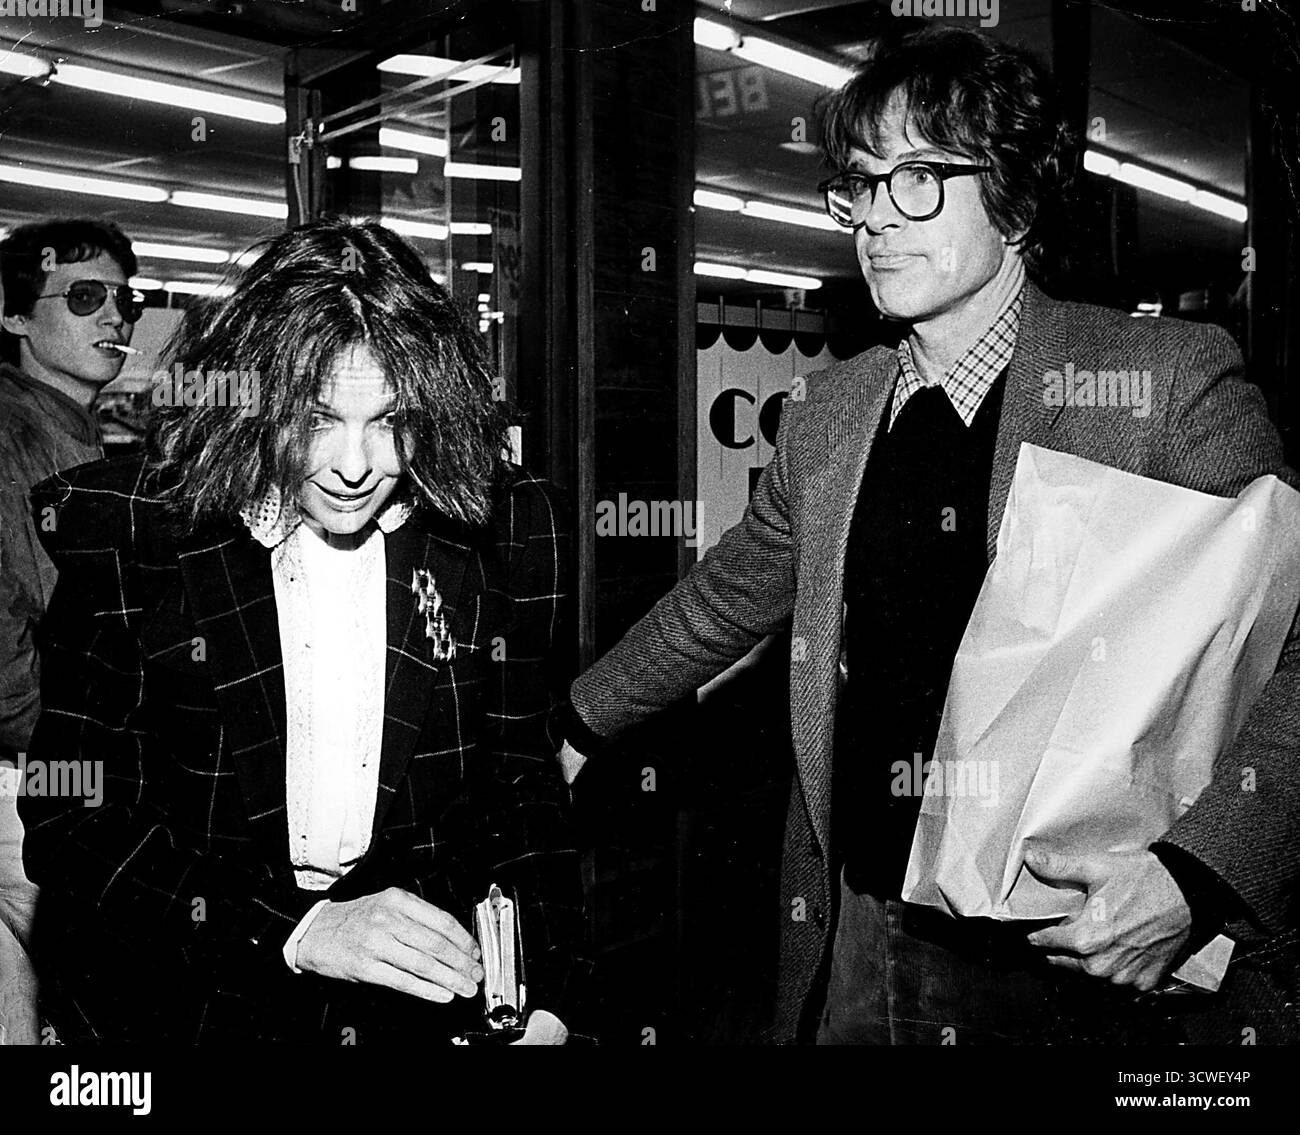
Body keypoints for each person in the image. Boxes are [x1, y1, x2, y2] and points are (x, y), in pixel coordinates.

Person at [553, 26, 1300, 1044]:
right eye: (860, 184)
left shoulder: (1153, 384)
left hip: (1077, 945)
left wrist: (1198, 876)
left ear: (1013, 196)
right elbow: (724, 596)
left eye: (918, 179)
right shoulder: (831, 415)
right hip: (863, 926)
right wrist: (575, 725)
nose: (874, 219)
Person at [20, 217, 582, 1044]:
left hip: (421, 1000)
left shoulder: (507, 529)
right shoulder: (133, 535)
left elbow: (521, 791)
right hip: (201, 991)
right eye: (318, 418)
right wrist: (299, 928)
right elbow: (71, 820)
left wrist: (543, 995)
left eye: (390, 420)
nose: (355, 464)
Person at [0, 218, 139, 1044]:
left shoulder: (75, 434)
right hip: (32, 782)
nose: (115, 318)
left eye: (125, 299)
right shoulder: (14, 441)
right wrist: (97, 766)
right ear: (16, 315)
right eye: (85, 297)